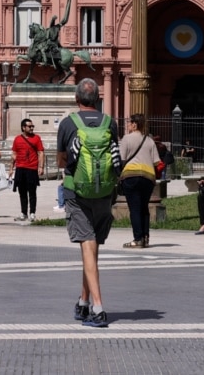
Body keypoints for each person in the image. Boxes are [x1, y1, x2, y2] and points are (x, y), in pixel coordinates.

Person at [56, 78, 121, 328]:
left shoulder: (68, 123)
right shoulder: (109, 123)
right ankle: (83, 303)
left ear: (76, 99)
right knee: (91, 250)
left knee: (87, 246)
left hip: (77, 193)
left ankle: (98, 308)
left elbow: (62, 161)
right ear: (97, 99)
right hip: (104, 192)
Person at [118, 113, 160, 249]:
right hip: (148, 177)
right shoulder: (149, 140)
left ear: (135, 124)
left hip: (131, 175)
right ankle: (146, 237)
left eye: (130, 122)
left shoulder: (127, 139)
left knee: (135, 209)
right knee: (144, 208)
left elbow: (121, 158)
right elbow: (156, 162)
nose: (128, 125)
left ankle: (137, 239)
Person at [11, 118, 45, 222]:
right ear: (23, 127)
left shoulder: (36, 138)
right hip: (20, 168)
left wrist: (40, 167)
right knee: (22, 192)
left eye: (32, 126)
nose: (31, 128)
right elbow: (14, 154)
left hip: (32, 168)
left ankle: (32, 213)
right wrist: (11, 168)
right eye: (29, 126)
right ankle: (24, 212)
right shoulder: (17, 139)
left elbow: (40, 153)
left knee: (32, 192)